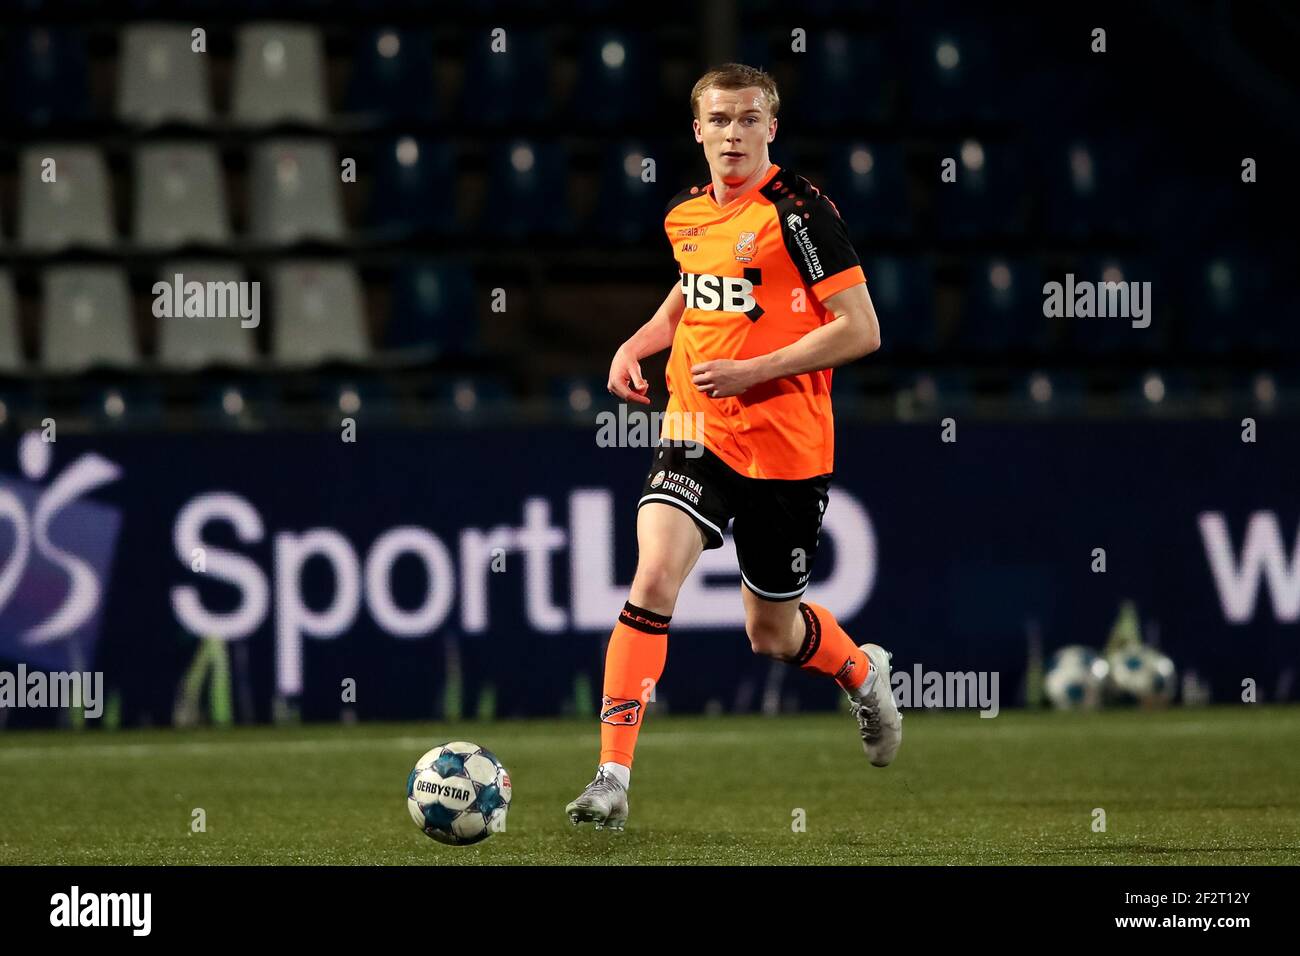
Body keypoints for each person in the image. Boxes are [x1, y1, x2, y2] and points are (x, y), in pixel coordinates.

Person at [566, 63, 900, 831]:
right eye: (719, 120)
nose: (733, 134)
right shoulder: (686, 214)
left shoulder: (802, 213)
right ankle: (611, 778)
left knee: (770, 633)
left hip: (786, 444)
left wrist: (754, 369)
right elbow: (692, 291)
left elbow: (862, 328)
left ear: (771, 129)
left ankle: (860, 669)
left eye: (749, 119)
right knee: (653, 575)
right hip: (695, 426)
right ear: (698, 130)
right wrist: (639, 343)